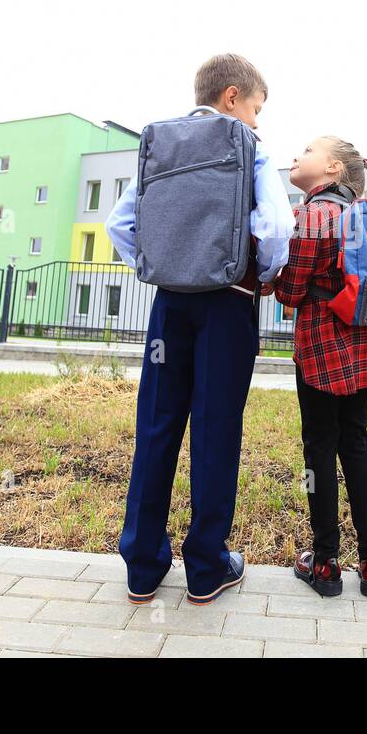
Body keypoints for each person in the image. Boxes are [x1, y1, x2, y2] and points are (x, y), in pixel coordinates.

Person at [106, 53, 296, 605]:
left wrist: (160, 264)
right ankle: (207, 565)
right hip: (227, 303)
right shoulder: (246, 145)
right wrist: (260, 273)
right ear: (232, 97)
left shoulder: (159, 142)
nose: (259, 122)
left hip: (169, 306)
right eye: (257, 109)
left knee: (157, 426)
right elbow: (277, 224)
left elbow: (121, 223)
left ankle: (142, 566)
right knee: (215, 431)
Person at [272, 135, 367, 598]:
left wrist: (285, 290)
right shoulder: (362, 214)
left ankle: (324, 563)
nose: (296, 156)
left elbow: (289, 290)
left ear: (332, 170)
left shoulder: (313, 214)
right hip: (362, 340)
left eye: (307, 150)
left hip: (321, 346)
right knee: (357, 444)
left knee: (318, 450)